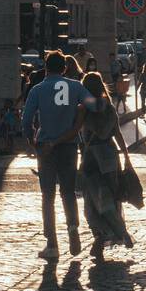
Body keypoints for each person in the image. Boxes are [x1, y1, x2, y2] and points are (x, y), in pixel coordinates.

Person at [21, 50, 95, 262]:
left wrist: (31, 141)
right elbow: (93, 105)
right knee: (68, 191)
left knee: (48, 196)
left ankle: (52, 243)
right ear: (64, 68)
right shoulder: (75, 86)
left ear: (46, 67)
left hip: (46, 147)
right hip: (69, 146)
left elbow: (26, 121)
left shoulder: (37, 89)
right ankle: (73, 227)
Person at [80, 72, 134, 263]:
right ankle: (115, 235)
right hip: (110, 158)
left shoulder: (85, 110)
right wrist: (126, 157)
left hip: (92, 159)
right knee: (109, 200)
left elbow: (99, 132)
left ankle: (109, 235)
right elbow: (117, 133)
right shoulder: (109, 107)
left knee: (92, 204)